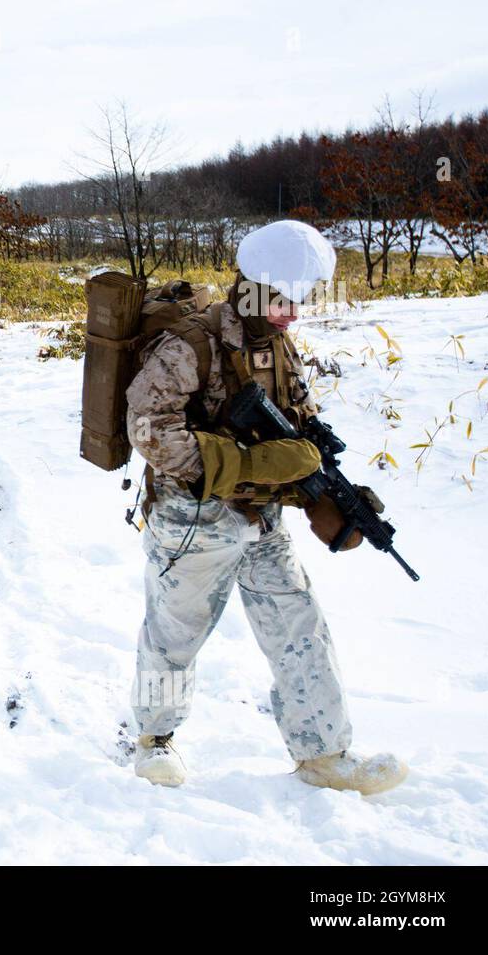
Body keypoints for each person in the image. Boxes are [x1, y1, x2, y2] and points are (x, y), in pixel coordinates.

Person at [124, 219, 407, 795]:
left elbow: (297, 422)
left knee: (300, 626)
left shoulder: (276, 344)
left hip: (262, 520)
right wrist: (253, 464)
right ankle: (154, 741)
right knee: (174, 638)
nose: (293, 314)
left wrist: (324, 487)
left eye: (301, 301)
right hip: (191, 521)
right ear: (251, 288)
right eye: (283, 300)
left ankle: (323, 754)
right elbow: (148, 430)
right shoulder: (191, 344)